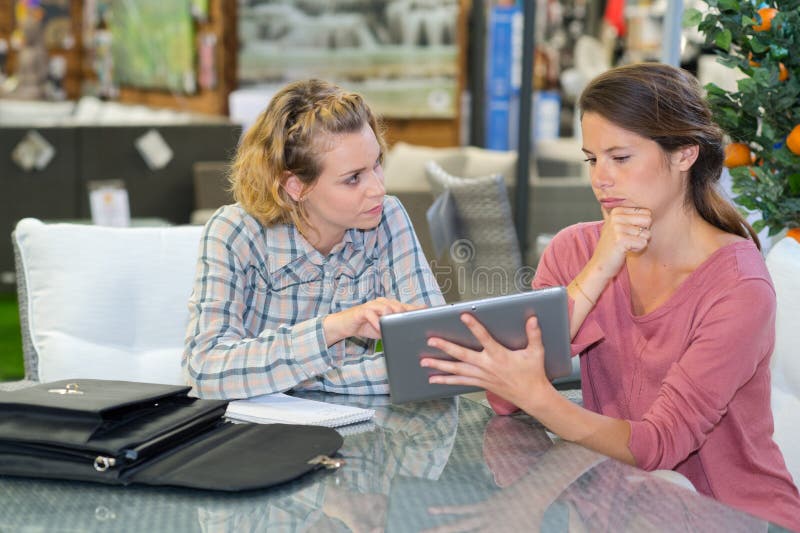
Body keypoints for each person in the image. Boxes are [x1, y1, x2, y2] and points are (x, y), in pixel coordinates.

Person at [419, 63, 800, 530]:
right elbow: (504, 399)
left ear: (684, 155)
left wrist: (539, 399)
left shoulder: (739, 286)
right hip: (625, 508)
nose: (600, 178)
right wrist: (600, 267)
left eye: (620, 158)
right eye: (591, 159)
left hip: (734, 517)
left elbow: (658, 444)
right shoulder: (576, 250)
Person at [183, 79, 443, 399]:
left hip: (355, 435)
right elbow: (206, 371)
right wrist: (333, 328)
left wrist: (308, 381)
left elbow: (435, 354)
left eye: (377, 164)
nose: (378, 188)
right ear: (296, 187)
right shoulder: (234, 232)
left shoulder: (386, 218)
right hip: (253, 439)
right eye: (353, 179)